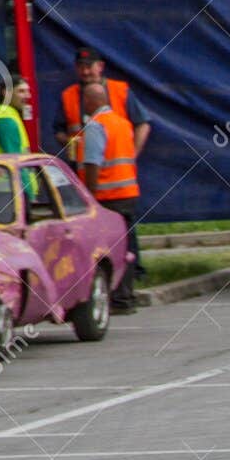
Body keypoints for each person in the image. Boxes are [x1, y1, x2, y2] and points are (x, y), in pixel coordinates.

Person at [78, 82, 139, 312]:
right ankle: (126, 297)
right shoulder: (123, 124)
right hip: (128, 193)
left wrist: (89, 197)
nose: (83, 103)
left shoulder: (95, 126)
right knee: (126, 248)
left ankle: (117, 298)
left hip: (108, 196)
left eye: (85, 99)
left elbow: (93, 162)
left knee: (109, 250)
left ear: (92, 101)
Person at [54, 47, 150, 163]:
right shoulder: (68, 95)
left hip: (116, 170)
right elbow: (58, 131)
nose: (85, 72)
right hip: (82, 169)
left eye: (89, 67)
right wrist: (69, 141)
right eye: (80, 67)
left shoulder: (120, 91)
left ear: (100, 66)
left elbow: (143, 125)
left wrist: (132, 155)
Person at [0, 79, 33, 156]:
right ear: (6, 93)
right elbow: (13, 157)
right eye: (21, 91)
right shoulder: (5, 117)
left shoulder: (1, 112)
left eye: (28, 91)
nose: (28, 95)